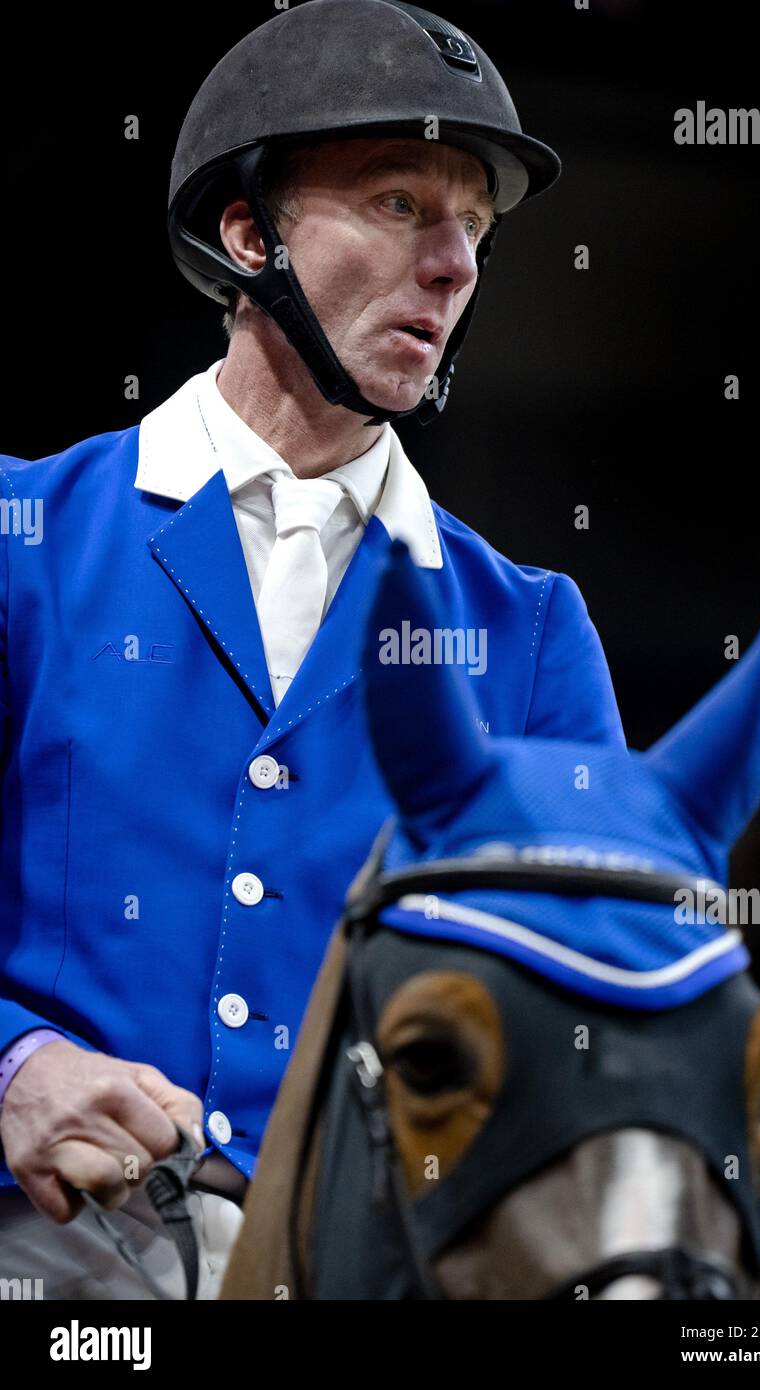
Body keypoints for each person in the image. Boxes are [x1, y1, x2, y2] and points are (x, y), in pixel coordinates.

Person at [0, 0, 624, 1299]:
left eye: (476, 230)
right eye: (402, 204)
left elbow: (589, 1029)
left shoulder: (530, 633)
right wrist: (12, 1065)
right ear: (249, 235)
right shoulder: (23, 542)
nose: (453, 265)